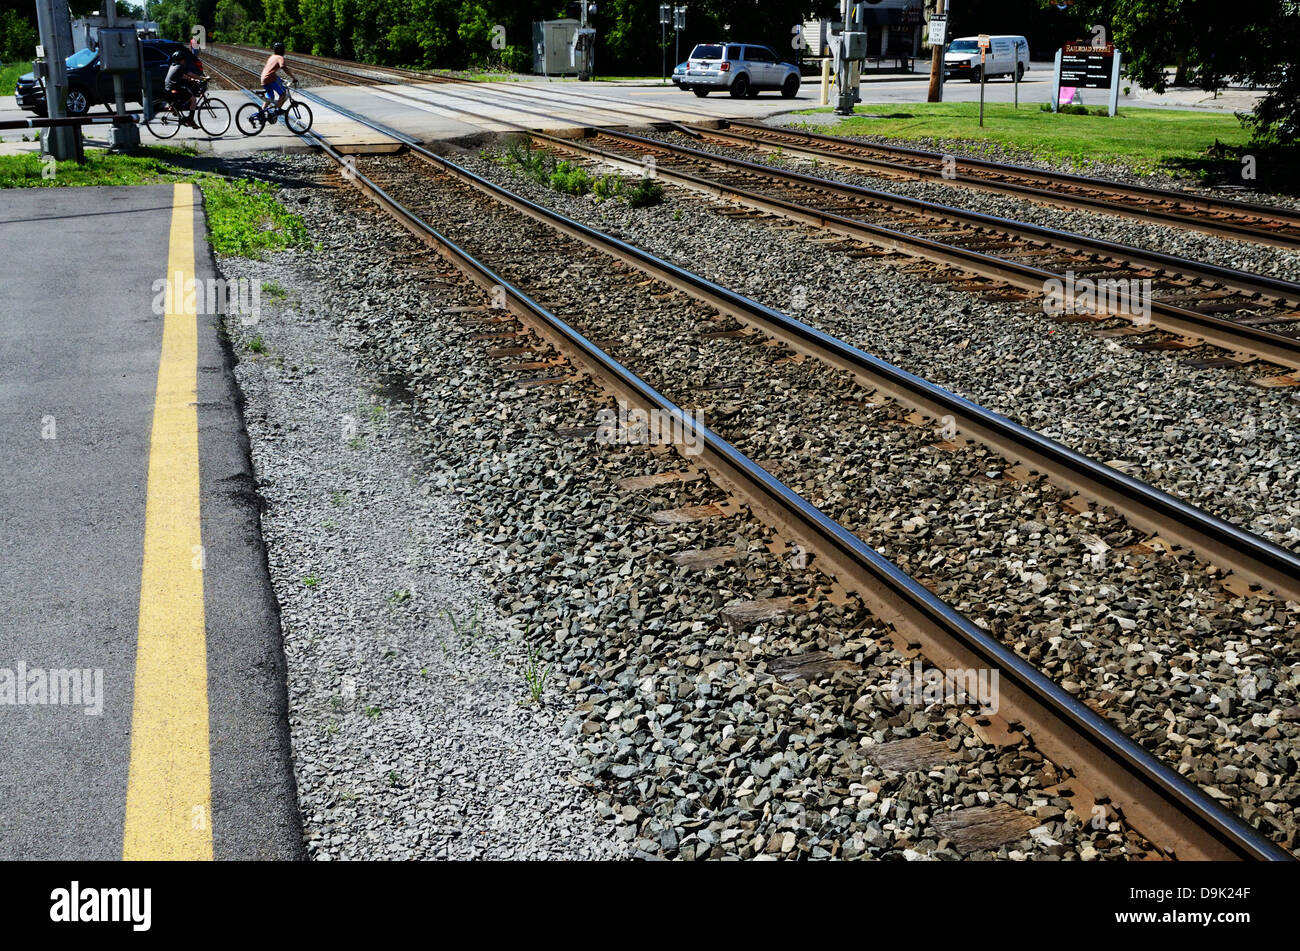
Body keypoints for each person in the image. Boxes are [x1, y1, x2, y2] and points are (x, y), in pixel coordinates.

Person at [163, 49, 205, 125]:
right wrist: (203, 78)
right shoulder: (180, 66)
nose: (184, 60)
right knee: (193, 99)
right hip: (174, 88)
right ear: (181, 59)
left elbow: (182, 76)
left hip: (168, 88)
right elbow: (190, 74)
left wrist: (191, 79)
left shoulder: (173, 66)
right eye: (183, 59)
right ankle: (190, 120)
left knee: (184, 95)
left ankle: (174, 108)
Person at [261, 42, 298, 114]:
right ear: (280, 50)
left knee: (270, 98)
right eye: (283, 50)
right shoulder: (280, 57)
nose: (284, 51)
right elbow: (283, 67)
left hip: (263, 79)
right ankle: (277, 111)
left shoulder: (272, 57)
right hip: (270, 78)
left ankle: (261, 113)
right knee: (283, 94)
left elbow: (270, 70)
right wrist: (293, 77)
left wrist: (280, 79)